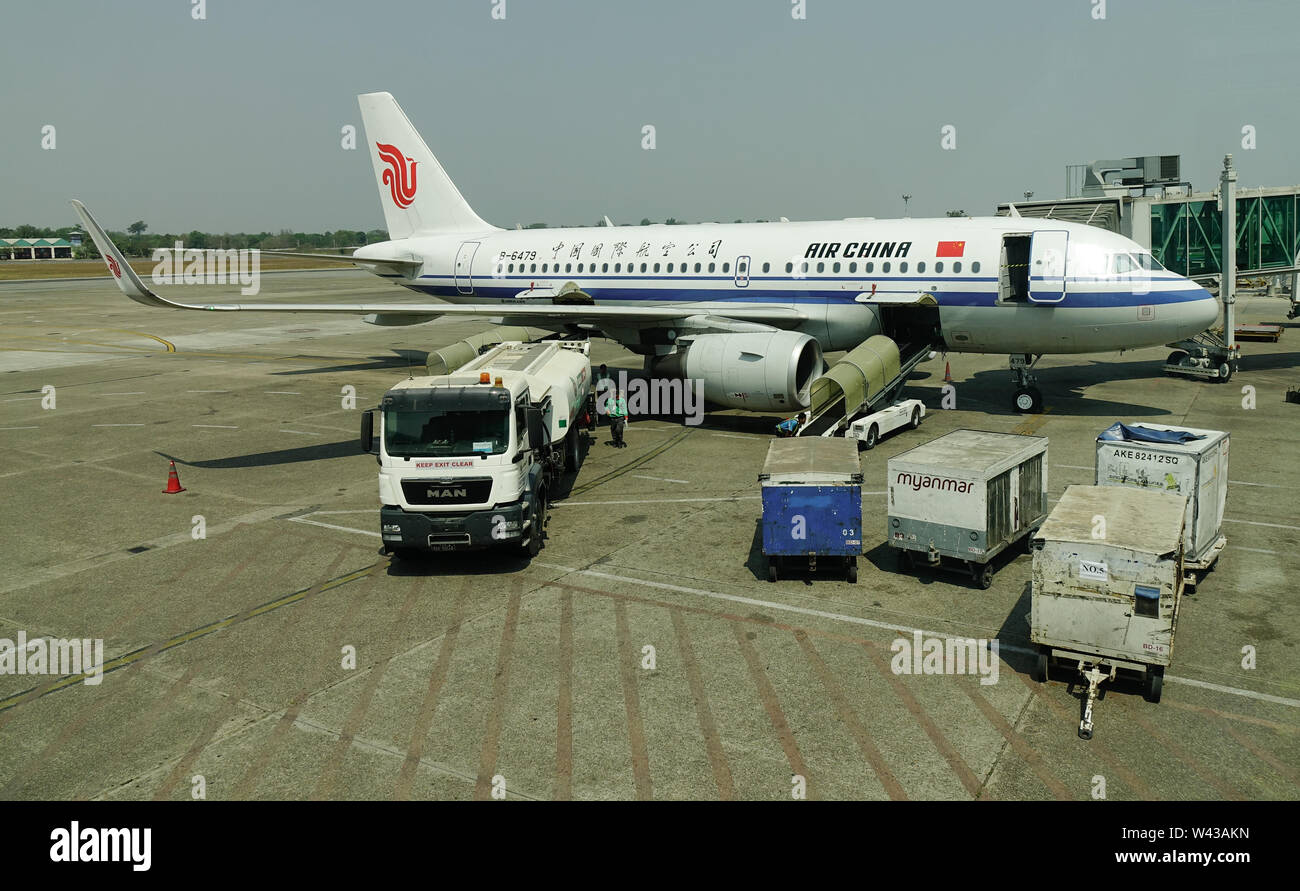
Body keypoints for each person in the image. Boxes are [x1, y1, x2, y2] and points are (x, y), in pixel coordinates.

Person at [592, 363, 614, 428]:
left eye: (604, 369)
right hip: (601, 391)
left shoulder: (607, 374)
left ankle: (608, 417)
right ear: (600, 369)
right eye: (603, 369)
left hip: (606, 391)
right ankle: (601, 418)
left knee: (608, 404)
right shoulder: (599, 375)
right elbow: (601, 381)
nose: (604, 370)